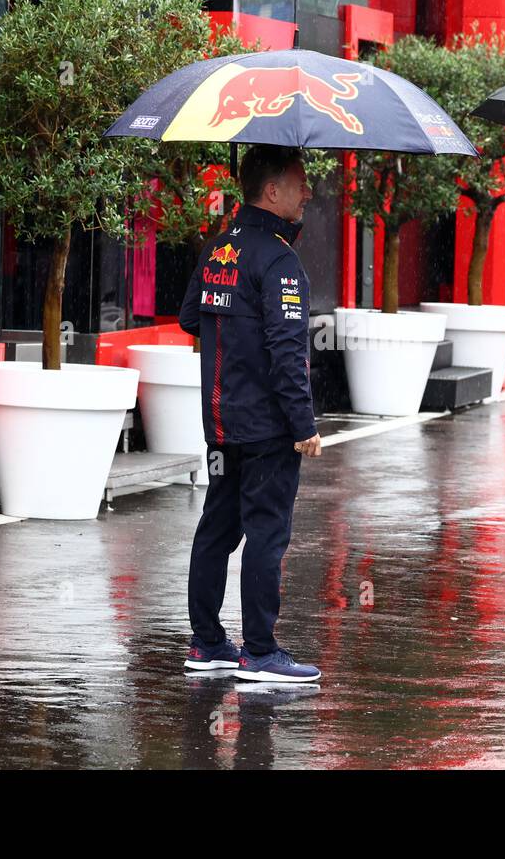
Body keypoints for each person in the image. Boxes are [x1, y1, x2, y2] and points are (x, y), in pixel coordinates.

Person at [178, 144, 323, 683]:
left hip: (220, 424)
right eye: (300, 182)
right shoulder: (280, 259)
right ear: (272, 191)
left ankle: (208, 643)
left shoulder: (219, 248)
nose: (308, 192)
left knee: (217, 529)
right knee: (267, 533)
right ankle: (260, 652)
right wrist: (303, 425)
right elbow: (288, 353)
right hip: (266, 429)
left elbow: (190, 318)